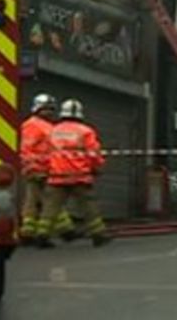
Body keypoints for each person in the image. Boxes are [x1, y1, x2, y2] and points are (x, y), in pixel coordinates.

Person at [34, 98, 112, 248]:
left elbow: (45, 153)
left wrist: (45, 170)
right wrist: (97, 168)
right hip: (79, 176)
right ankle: (98, 235)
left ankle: (42, 235)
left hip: (57, 176)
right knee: (88, 206)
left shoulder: (53, 131)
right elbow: (93, 154)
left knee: (50, 207)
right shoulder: (86, 131)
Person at [19, 94, 75, 245]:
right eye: (46, 109)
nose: (49, 112)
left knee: (35, 200)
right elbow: (26, 148)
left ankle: (28, 232)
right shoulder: (32, 125)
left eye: (51, 109)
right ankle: (63, 230)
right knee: (50, 200)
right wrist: (32, 167)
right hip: (38, 170)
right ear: (37, 109)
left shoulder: (47, 125)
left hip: (48, 169)